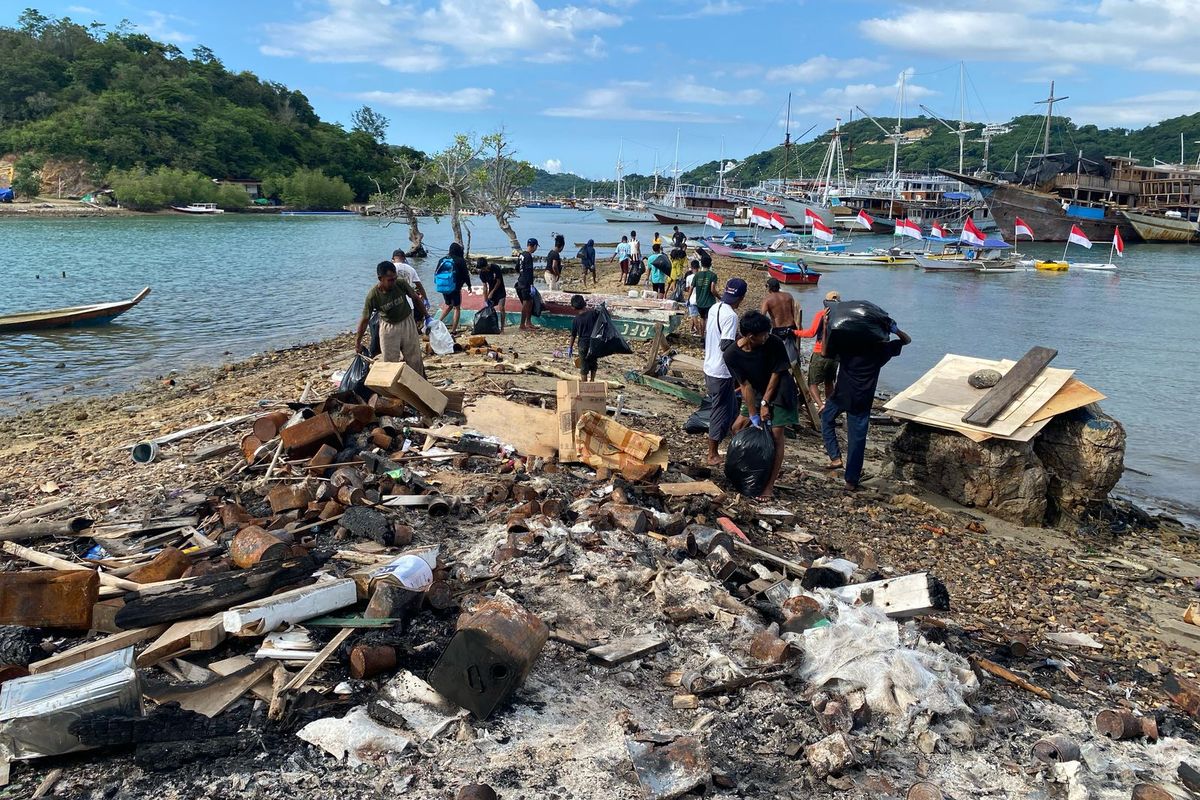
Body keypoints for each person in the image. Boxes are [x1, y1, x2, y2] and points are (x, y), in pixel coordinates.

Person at [821, 320, 911, 490]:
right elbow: (907, 340)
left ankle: (835, 457)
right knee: (857, 441)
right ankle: (851, 481)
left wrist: (826, 326)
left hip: (840, 396)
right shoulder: (881, 350)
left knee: (826, 420)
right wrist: (896, 330)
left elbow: (825, 352)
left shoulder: (849, 346)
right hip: (862, 401)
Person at [723, 310, 800, 499]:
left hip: (781, 389)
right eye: (763, 334)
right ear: (750, 337)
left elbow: (777, 373)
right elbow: (745, 385)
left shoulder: (773, 342)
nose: (767, 336)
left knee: (775, 436)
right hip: (756, 389)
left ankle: (769, 485)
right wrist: (753, 413)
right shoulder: (732, 354)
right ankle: (747, 470)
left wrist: (765, 403)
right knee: (738, 427)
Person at [703, 277, 747, 466]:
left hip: (710, 366)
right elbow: (726, 345)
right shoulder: (731, 316)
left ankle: (732, 444)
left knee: (731, 409)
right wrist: (744, 343)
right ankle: (712, 454)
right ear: (741, 298)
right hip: (721, 371)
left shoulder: (715, 308)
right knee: (719, 411)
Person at [355, 260, 426, 376]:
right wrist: (358, 342)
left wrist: (426, 316)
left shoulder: (400, 283)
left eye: (394, 278)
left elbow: (416, 298)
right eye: (390, 280)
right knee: (390, 361)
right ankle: (394, 389)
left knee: (414, 359)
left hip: (407, 322)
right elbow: (364, 320)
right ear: (380, 278)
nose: (393, 282)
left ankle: (417, 384)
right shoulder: (373, 296)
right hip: (389, 327)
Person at [795, 290, 840, 409]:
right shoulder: (841, 316)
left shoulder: (821, 314)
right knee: (829, 382)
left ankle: (820, 405)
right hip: (835, 355)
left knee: (812, 383)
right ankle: (830, 406)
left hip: (820, 352)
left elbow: (811, 333)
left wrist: (794, 332)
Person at [435, 242, 472, 333]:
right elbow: (465, 274)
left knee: (449, 305)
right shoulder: (460, 260)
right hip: (455, 287)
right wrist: (469, 285)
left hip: (444, 286)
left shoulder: (442, 260)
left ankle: (437, 322)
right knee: (457, 307)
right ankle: (454, 330)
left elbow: (436, 273)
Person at [761, 277, 800, 364]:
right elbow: (795, 313)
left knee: (777, 355)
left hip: (779, 330)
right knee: (792, 354)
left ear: (768, 287)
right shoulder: (788, 296)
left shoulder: (767, 300)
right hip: (792, 327)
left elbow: (762, 317)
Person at [567, 295, 601, 381]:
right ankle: (592, 380)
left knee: (584, 366)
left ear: (574, 307)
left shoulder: (576, 320)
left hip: (583, 344)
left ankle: (584, 384)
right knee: (593, 363)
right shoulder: (593, 314)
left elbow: (573, 335)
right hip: (594, 343)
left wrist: (570, 347)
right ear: (584, 304)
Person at [478, 257, 507, 331]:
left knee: (501, 308)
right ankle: (491, 326)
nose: (483, 270)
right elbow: (485, 286)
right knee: (489, 308)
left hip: (500, 291)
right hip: (491, 291)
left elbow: (498, 281)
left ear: (486, 265)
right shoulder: (482, 273)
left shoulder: (495, 268)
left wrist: (492, 292)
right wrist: (485, 299)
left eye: (483, 268)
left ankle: (502, 328)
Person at [517, 237, 538, 331]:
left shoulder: (521, 255)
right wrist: (531, 285)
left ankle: (528, 322)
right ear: (534, 246)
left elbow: (517, 268)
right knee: (526, 303)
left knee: (530, 302)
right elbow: (529, 272)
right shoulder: (528, 256)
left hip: (521, 281)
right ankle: (522, 324)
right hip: (525, 283)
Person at [692, 251, 719, 322]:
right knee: (709, 319)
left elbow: (691, 288)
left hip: (699, 302)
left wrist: (688, 299)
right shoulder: (713, 275)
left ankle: (701, 333)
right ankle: (707, 333)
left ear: (701, 264)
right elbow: (712, 289)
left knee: (702, 319)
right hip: (709, 302)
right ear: (710, 264)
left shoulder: (697, 275)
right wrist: (719, 297)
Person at [685, 260, 702, 334]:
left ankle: (699, 331)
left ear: (691, 268)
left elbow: (688, 289)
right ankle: (692, 328)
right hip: (701, 299)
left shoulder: (689, 277)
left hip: (692, 299)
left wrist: (687, 299)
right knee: (696, 315)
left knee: (694, 315)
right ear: (698, 267)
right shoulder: (702, 276)